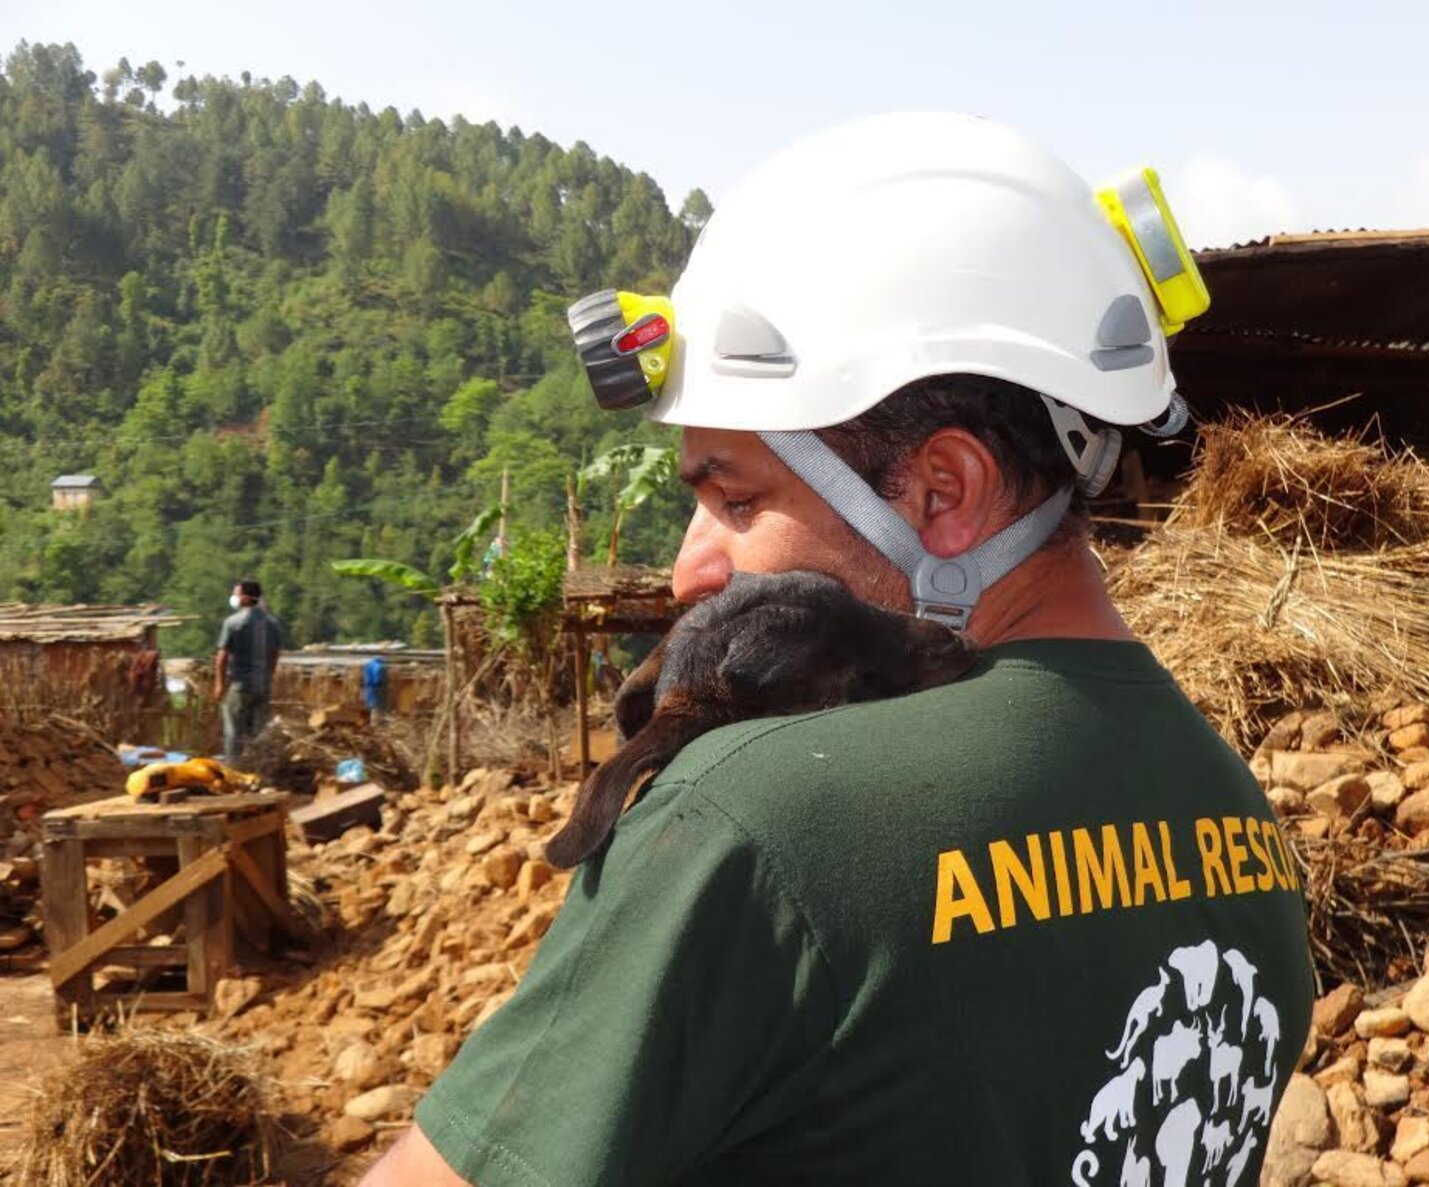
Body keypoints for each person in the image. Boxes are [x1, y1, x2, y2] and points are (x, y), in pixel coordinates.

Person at [363, 113, 1315, 1187]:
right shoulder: (1238, 820)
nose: (689, 572)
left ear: (943, 492)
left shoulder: (757, 823)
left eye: (736, 496)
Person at [213, 578, 282, 763]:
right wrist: (268, 676)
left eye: (236, 594)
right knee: (258, 731)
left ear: (244, 598)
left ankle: (234, 769)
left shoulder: (233, 622)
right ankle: (257, 769)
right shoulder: (272, 624)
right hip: (262, 686)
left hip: (241, 685)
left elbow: (222, 657)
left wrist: (219, 684)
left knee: (233, 730)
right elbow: (275, 655)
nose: (234, 598)